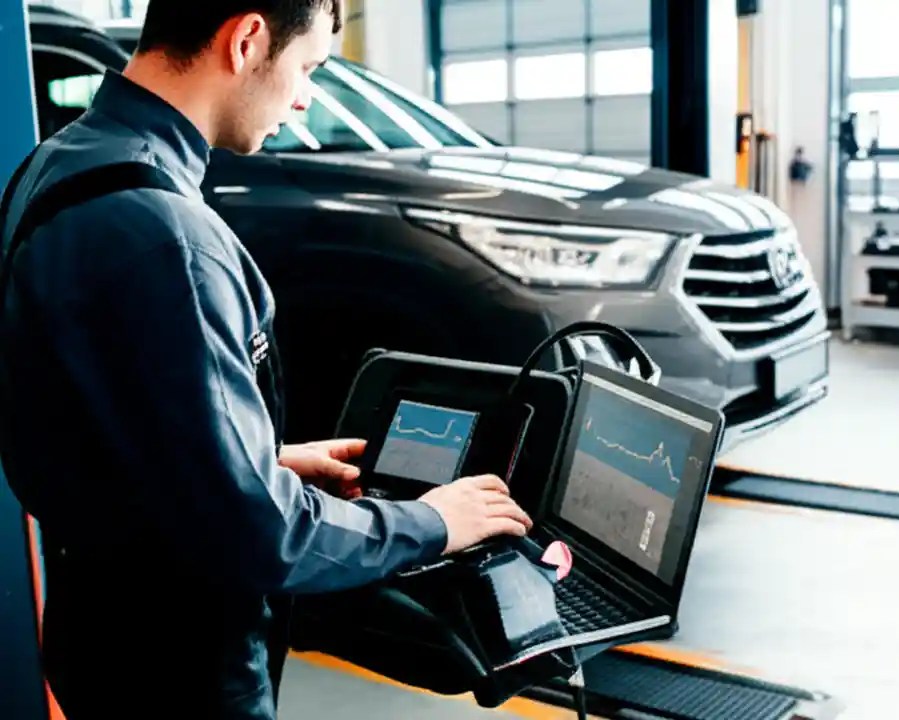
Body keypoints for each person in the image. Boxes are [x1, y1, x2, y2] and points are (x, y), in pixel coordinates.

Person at [0, 1, 533, 718]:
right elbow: (259, 534)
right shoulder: (172, 239)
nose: (307, 95)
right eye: (307, 66)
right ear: (248, 40)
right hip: (182, 671)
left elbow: (97, 419)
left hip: (93, 636)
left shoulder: (53, 166)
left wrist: (263, 460)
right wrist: (434, 521)